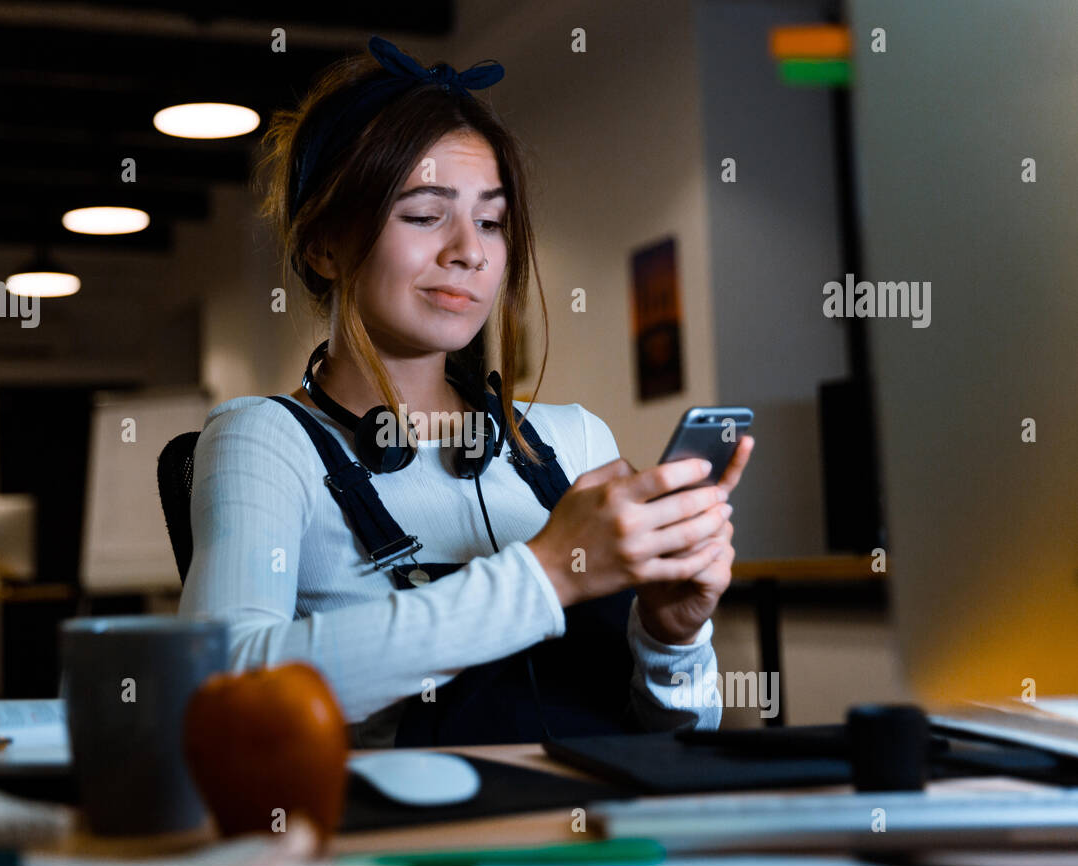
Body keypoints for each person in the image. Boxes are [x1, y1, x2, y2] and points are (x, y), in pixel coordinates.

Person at [178, 36, 754, 748]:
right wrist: (546, 572)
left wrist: (672, 638)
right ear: (324, 243)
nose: (470, 251)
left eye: (490, 221)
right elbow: (218, 693)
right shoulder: (263, 440)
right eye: (423, 215)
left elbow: (678, 736)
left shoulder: (575, 440)